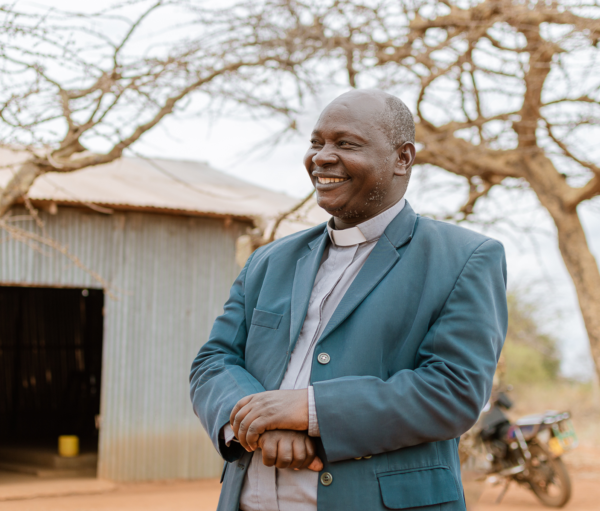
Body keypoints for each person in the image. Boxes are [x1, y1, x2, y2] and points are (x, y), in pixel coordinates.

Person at [190, 89, 507, 511]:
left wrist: (307, 408)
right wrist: (258, 423)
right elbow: (214, 361)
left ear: (403, 158)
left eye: (346, 143)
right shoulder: (268, 261)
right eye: (316, 142)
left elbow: (453, 390)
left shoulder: (465, 258)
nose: (321, 156)